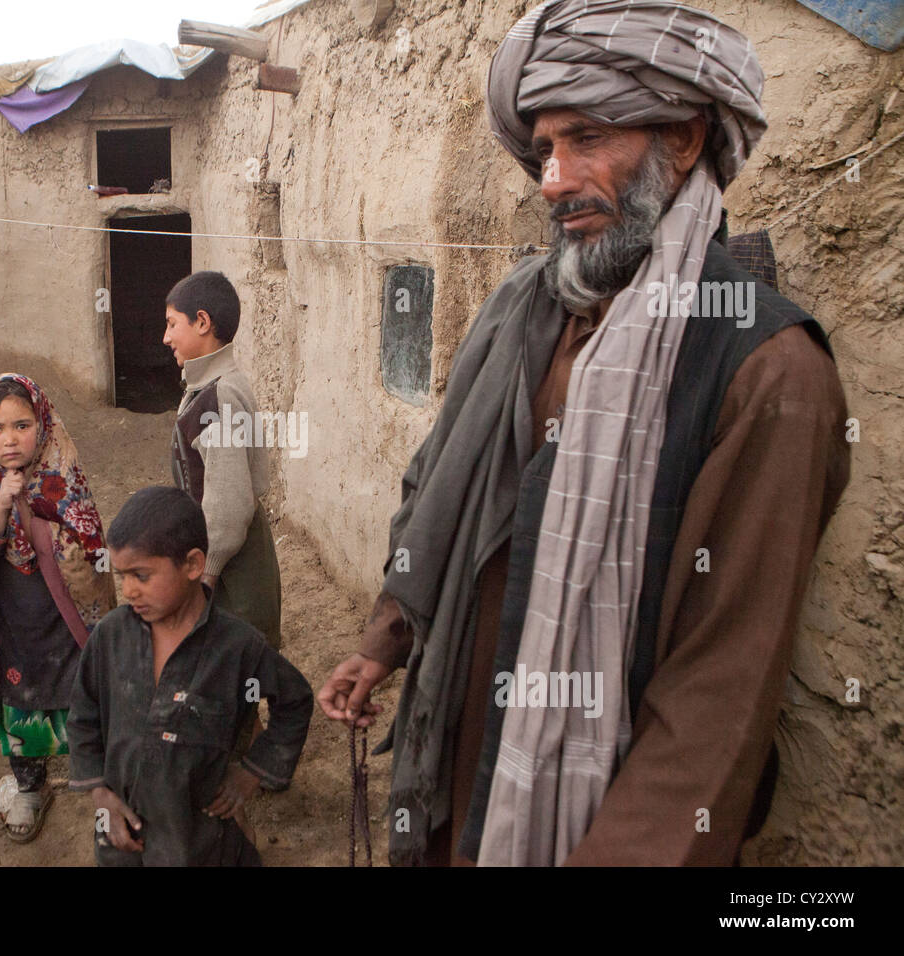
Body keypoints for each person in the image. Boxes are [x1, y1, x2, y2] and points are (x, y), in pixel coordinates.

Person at [317, 0, 851, 866]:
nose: (553, 179)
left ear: (682, 139)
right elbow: (440, 496)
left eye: (587, 139)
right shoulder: (527, 312)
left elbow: (715, 703)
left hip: (593, 817)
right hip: (468, 760)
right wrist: (387, 641)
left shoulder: (767, 372)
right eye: (542, 150)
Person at [67, 486, 313, 866]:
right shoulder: (111, 636)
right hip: (122, 831)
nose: (128, 590)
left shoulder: (237, 647)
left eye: (141, 575)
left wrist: (251, 773)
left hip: (198, 836)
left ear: (193, 565)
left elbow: (295, 701)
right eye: (122, 576)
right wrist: (100, 794)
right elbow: (83, 712)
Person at [0, 373, 116, 842]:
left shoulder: (62, 473)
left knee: (83, 691)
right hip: (9, 624)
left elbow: (87, 543)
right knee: (21, 701)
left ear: (42, 423)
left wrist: (36, 525)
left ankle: (102, 780)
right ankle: (29, 784)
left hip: (66, 618)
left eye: (21, 425)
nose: (9, 439)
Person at [164, 271, 282, 654]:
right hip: (225, 552)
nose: (166, 338)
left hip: (233, 566)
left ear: (202, 322)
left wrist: (206, 577)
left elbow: (229, 504)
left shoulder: (220, 395)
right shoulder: (206, 387)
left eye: (172, 324)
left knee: (231, 675)